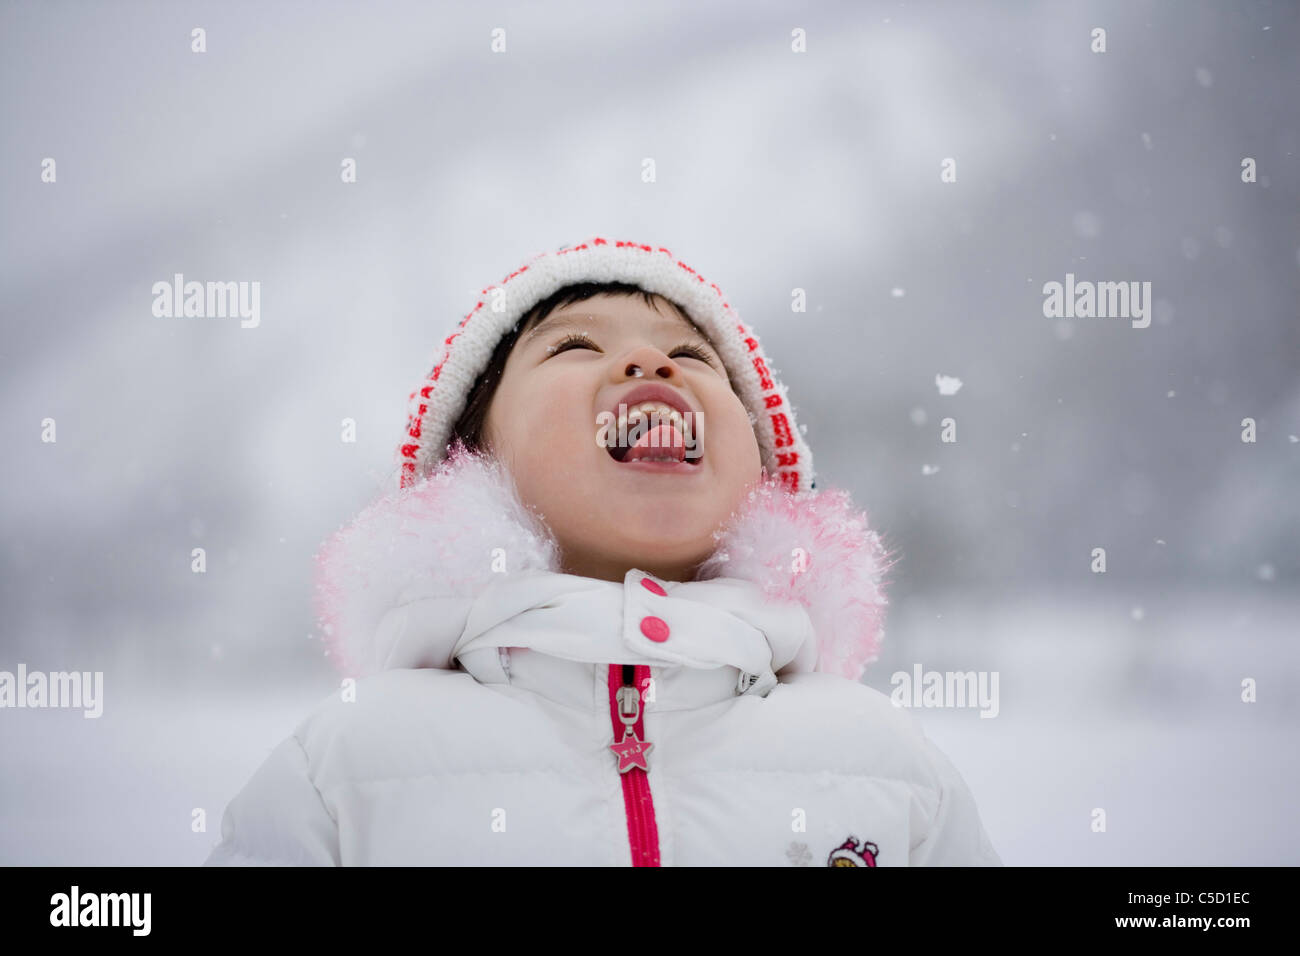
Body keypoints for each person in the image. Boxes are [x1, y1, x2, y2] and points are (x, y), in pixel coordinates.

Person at [204, 236, 1002, 866]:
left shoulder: (881, 762)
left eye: (693, 357)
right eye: (575, 346)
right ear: (471, 463)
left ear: (763, 464)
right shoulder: (351, 762)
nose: (650, 363)